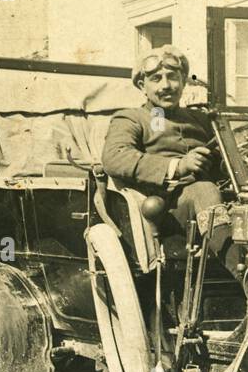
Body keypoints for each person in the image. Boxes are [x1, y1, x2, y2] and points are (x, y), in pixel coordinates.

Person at [101, 45, 238, 274]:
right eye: (156, 78)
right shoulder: (132, 118)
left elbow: (229, 158)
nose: (166, 86)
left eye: (173, 77)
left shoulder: (201, 119)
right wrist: (177, 166)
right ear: (142, 86)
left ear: (184, 81)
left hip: (212, 202)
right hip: (164, 210)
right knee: (203, 190)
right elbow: (115, 157)